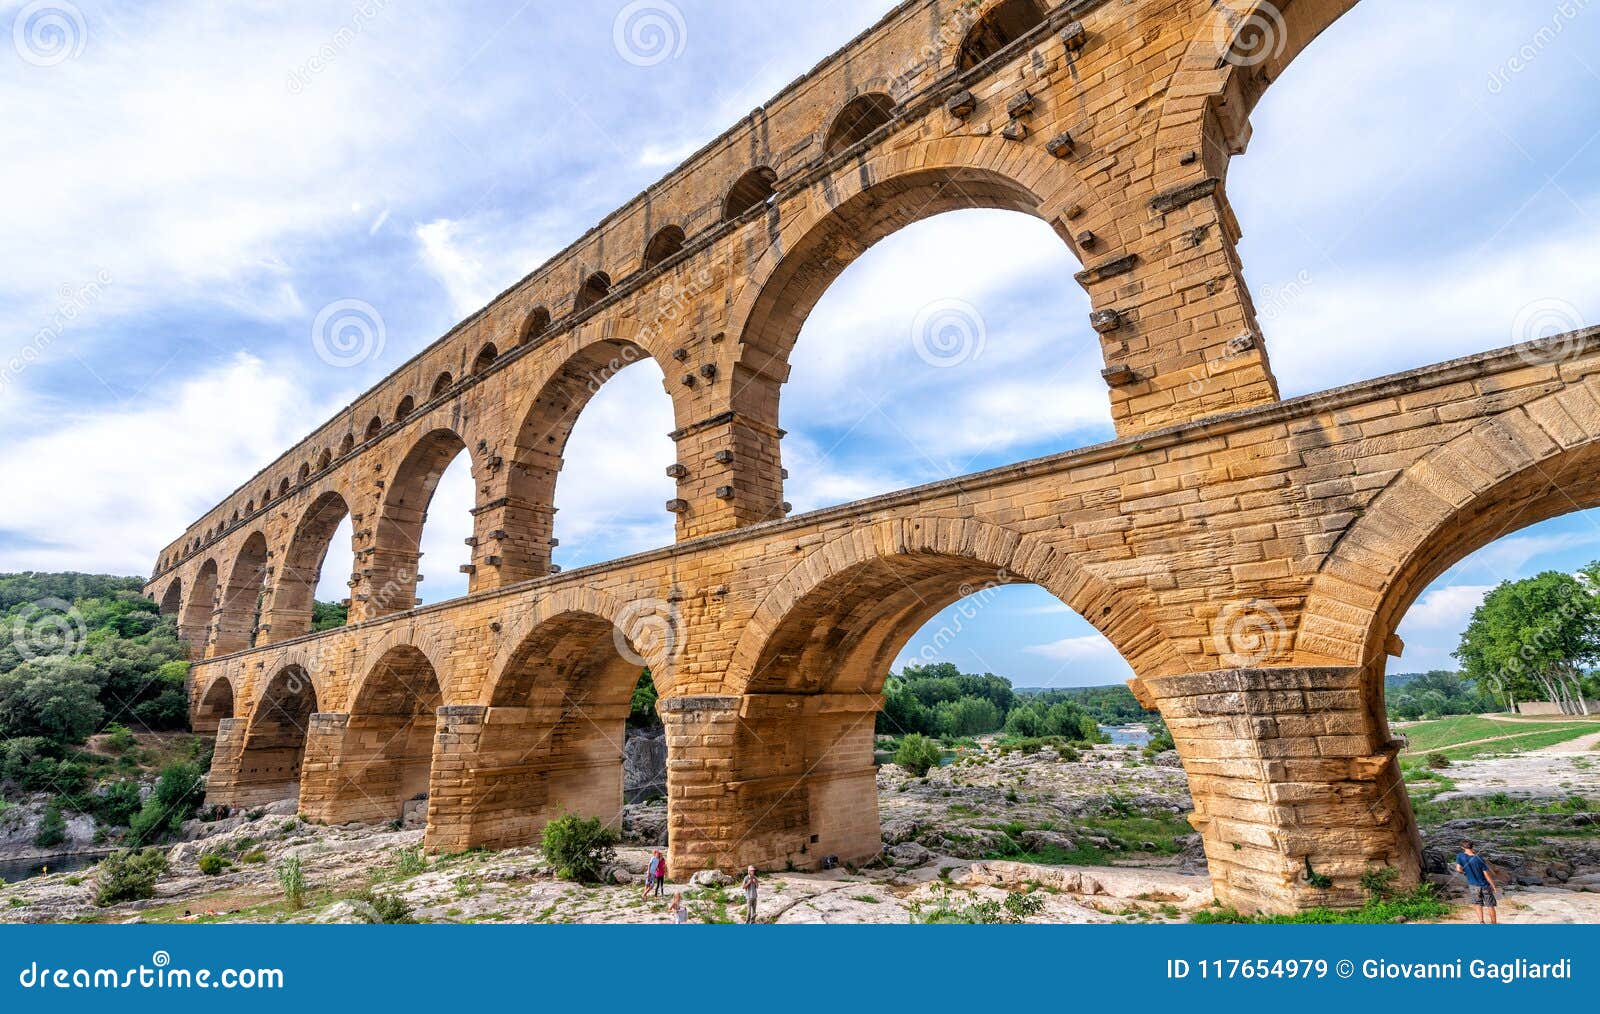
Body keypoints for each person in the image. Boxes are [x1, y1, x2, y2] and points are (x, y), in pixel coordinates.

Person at [1455, 839, 1499, 924]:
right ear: (1473, 847)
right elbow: (1486, 874)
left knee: (1477, 904)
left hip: (1473, 885)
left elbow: (1458, 869)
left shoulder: (1460, 856)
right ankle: (1494, 923)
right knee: (1490, 905)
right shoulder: (1479, 858)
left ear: (1462, 847)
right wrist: (1492, 885)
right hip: (1484, 885)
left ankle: (1481, 922)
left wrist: (1465, 872)